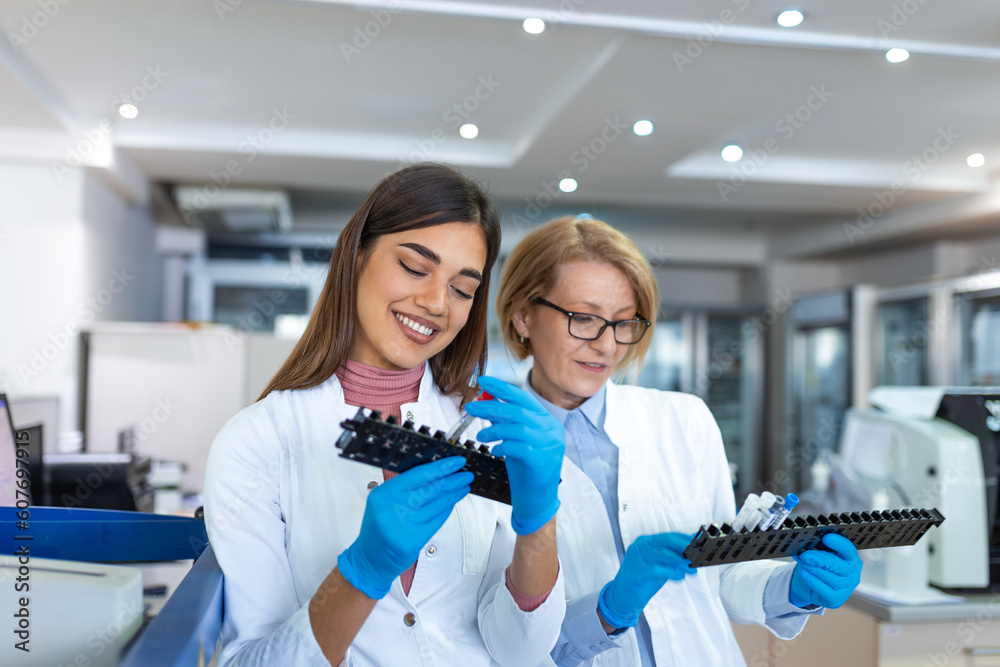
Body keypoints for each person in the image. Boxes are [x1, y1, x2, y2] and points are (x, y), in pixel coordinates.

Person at [204, 164, 566, 667]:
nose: (437, 302)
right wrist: (360, 572)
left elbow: (524, 650)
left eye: (463, 290)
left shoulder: (486, 431)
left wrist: (539, 519)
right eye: (416, 267)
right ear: (356, 257)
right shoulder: (258, 441)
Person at [494, 215, 862, 666]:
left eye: (624, 323)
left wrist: (794, 588)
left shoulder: (683, 420)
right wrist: (608, 610)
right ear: (522, 315)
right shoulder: (486, 446)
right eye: (584, 319)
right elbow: (501, 641)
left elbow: (726, 578)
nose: (608, 346)